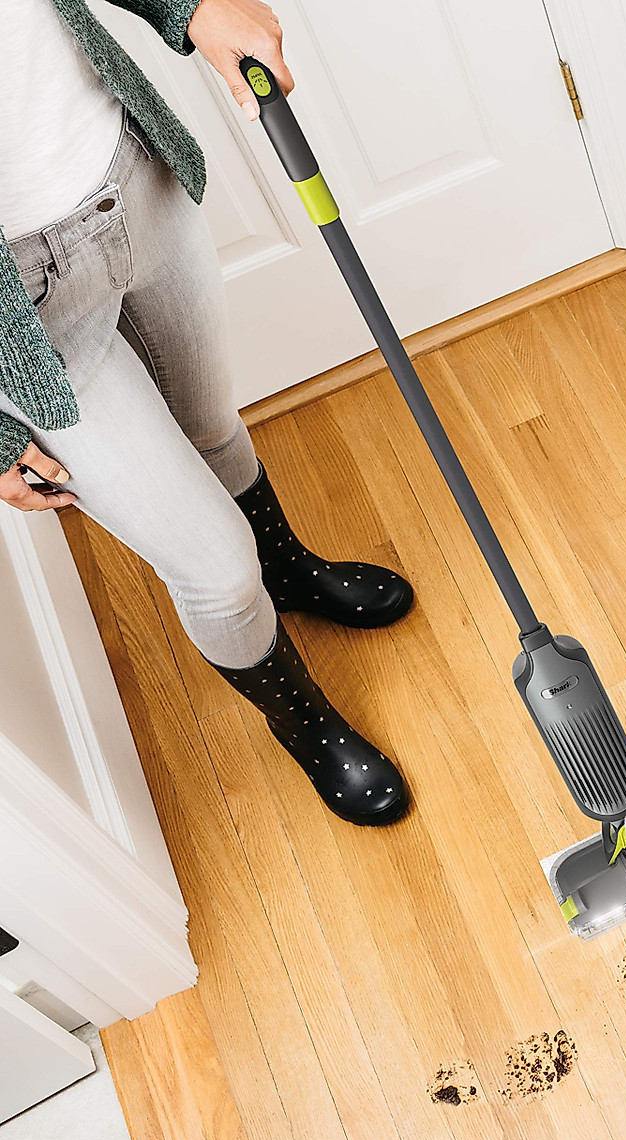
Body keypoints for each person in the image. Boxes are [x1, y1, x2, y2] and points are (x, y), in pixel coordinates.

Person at [0, 0, 412, 826]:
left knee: (214, 427)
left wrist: (189, 6)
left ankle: (287, 572)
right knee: (219, 576)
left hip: (129, 177)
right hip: (24, 322)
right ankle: (304, 723)